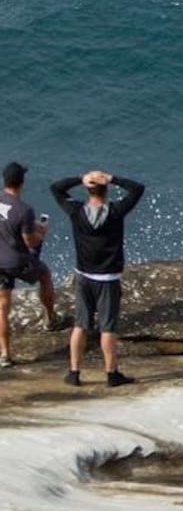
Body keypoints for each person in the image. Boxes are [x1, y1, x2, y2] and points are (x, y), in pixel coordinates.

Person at [51, 170, 147, 387]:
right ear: (106, 190)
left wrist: (79, 178)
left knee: (80, 325)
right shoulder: (115, 211)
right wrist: (112, 178)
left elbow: (56, 188)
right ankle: (111, 374)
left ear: (88, 190)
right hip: (108, 278)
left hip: (84, 276)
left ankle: (74, 372)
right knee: (108, 328)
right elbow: (138, 188)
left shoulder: (76, 211)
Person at [1, 162, 64, 368]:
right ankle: (50, 320)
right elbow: (30, 242)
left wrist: (29, 226)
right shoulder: (24, 210)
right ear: (22, 182)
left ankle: (5, 354)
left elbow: (8, 222)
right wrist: (41, 230)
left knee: (2, 307)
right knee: (45, 274)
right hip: (18, 262)